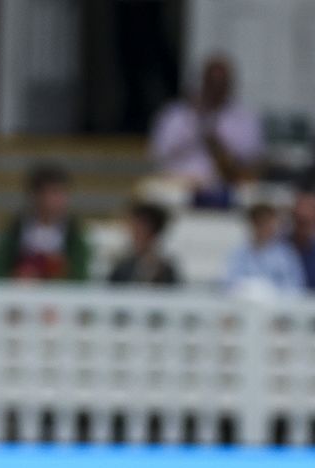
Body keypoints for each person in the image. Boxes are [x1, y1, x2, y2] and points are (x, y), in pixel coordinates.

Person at [150, 55, 263, 209]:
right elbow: (159, 152)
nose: (215, 89)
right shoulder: (176, 115)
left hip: (227, 190)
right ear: (203, 81)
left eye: (220, 83)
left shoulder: (245, 118)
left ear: (229, 85)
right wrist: (194, 125)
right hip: (178, 188)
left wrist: (215, 142)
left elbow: (252, 158)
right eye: (212, 82)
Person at [0, 162, 91, 282]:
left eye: (62, 193)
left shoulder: (73, 233)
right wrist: (16, 276)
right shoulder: (16, 229)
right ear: (36, 195)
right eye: (53, 192)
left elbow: (80, 273)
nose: (58, 200)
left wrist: (56, 276)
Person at [225, 202, 304, 295]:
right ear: (253, 224)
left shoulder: (286, 255)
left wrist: (270, 292)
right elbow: (229, 284)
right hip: (244, 302)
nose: (264, 228)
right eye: (260, 223)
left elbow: (295, 287)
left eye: (267, 223)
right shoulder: (239, 254)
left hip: (278, 302)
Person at [108, 201, 180, 286]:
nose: (134, 233)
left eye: (140, 229)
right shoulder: (122, 266)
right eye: (133, 227)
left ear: (153, 232)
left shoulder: (165, 269)